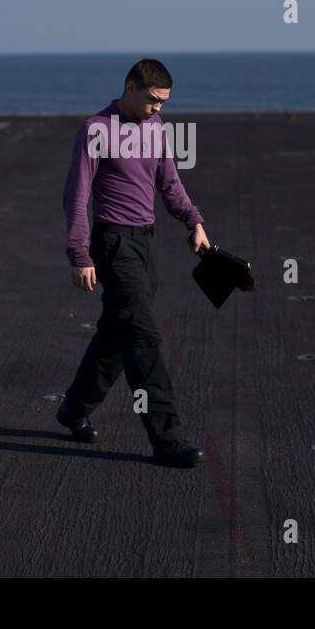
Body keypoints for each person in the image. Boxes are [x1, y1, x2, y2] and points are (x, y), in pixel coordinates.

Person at [57, 59, 211, 468]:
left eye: (164, 102)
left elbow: (169, 184)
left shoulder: (157, 129)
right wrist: (80, 254)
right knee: (144, 340)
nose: (158, 108)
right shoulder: (96, 130)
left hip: (145, 244)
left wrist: (193, 221)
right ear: (130, 88)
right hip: (112, 245)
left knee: (114, 336)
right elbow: (77, 196)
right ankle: (168, 439)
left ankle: (73, 409)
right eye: (152, 100)